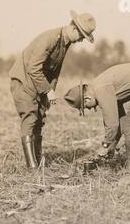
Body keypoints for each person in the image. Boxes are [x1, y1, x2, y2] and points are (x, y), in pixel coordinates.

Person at [8, 10, 96, 170]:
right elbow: (33, 68)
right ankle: (32, 167)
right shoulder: (50, 38)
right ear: (74, 29)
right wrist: (48, 90)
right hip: (24, 81)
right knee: (30, 116)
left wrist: (50, 92)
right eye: (82, 36)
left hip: (37, 83)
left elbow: (55, 70)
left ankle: (38, 159)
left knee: (40, 118)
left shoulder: (65, 42)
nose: (82, 40)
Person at [63, 62, 130, 182]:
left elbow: (112, 124)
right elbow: (120, 123)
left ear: (87, 99)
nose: (89, 109)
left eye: (85, 107)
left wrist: (105, 145)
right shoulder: (102, 89)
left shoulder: (100, 90)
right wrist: (111, 147)